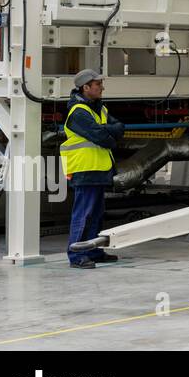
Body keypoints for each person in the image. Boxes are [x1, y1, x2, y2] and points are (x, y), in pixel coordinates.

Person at [61, 69, 125, 268]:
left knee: (96, 214)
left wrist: (107, 132)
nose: (102, 87)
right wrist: (108, 133)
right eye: (98, 85)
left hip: (99, 169)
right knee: (83, 214)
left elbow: (120, 128)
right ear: (86, 88)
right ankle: (76, 255)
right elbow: (102, 138)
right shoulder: (78, 112)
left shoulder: (99, 109)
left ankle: (94, 251)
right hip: (85, 169)